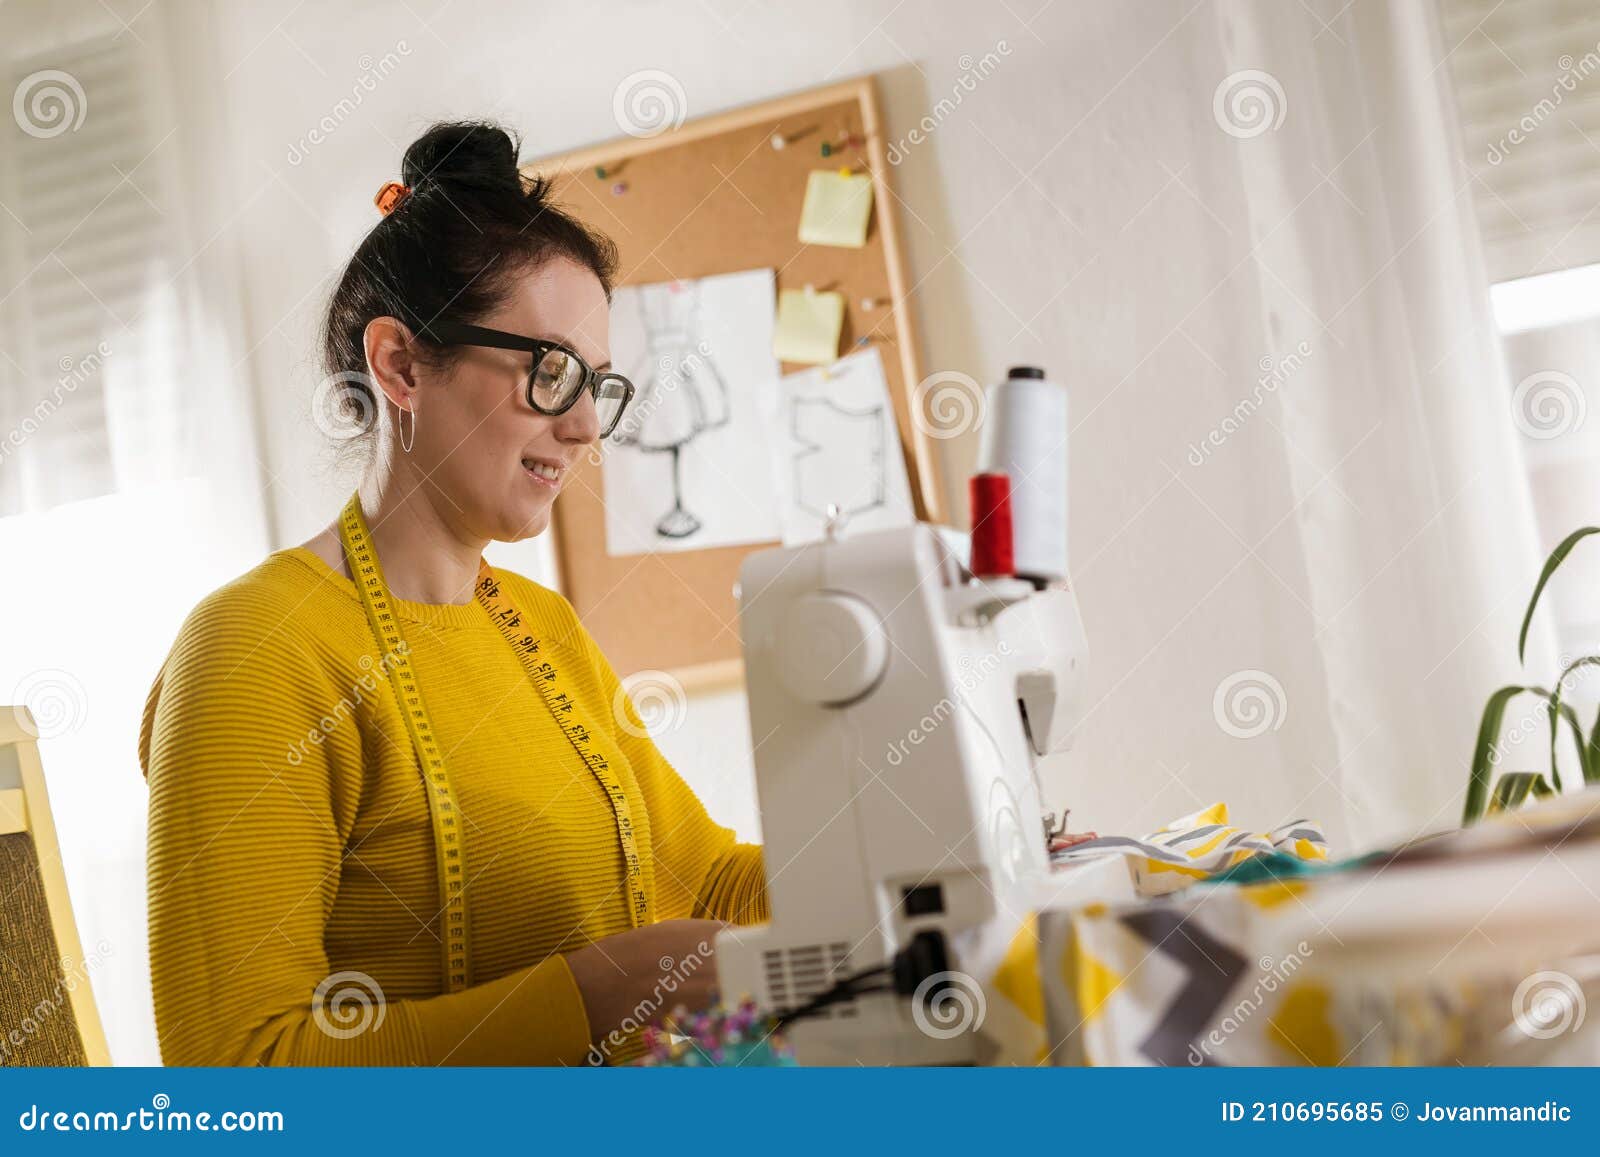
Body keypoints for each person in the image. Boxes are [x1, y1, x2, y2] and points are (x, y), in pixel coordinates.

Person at [138, 121, 767, 1066]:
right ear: (398, 364)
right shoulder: (255, 649)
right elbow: (237, 1073)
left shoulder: (539, 626)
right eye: (551, 371)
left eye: (598, 383)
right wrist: (604, 987)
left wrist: (934, 867)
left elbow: (709, 885)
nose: (590, 424)